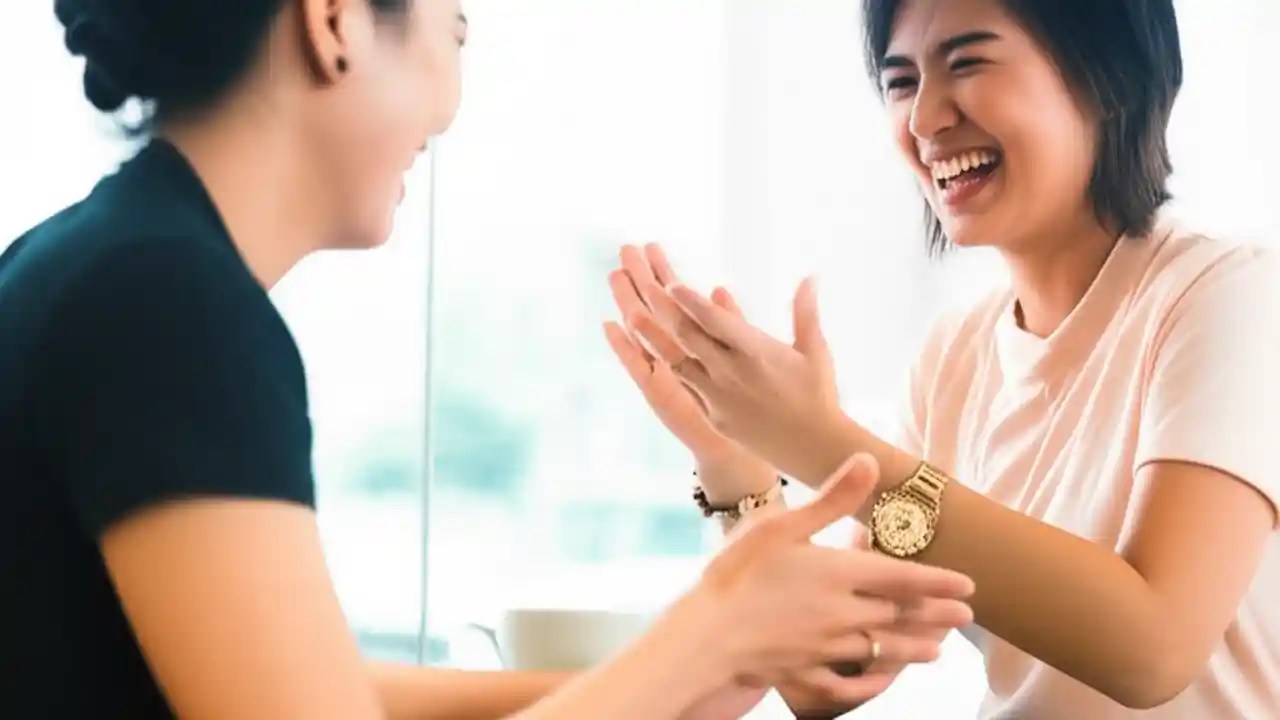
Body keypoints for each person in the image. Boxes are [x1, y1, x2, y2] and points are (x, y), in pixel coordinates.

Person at [0, 1, 980, 718]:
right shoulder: (172, 308)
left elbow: (311, 688)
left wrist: (709, 663)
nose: (451, 105)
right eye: (455, 30)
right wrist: (708, 637)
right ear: (334, 20)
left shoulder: (87, 264)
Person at [606, 0, 1280, 718]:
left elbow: (1155, 649)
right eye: (899, 82)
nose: (924, 120)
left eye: (968, 63)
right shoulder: (955, 355)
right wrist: (736, 467)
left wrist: (824, 444)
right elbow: (829, 673)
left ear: (1110, 81)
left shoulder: (1232, 297)